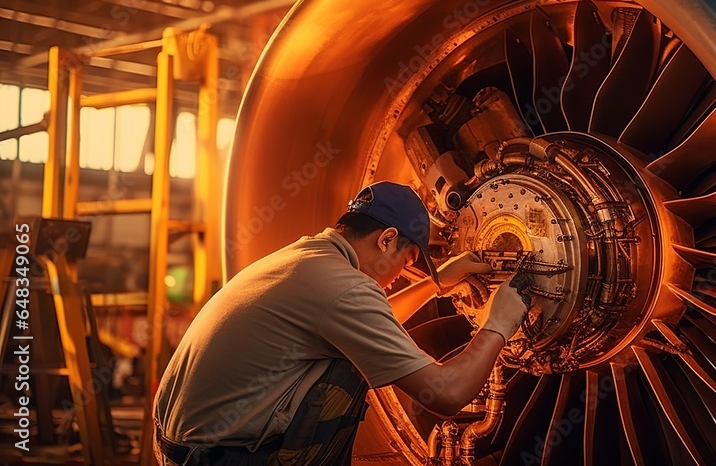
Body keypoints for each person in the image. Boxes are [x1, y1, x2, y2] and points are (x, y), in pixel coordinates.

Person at [153, 181, 529, 465]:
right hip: (221, 459)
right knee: (353, 364)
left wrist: (436, 285)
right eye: (409, 259)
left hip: (179, 448)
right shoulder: (346, 289)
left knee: (357, 349)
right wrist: (498, 322)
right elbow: (448, 394)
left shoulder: (307, 257)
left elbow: (360, 326)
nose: (402, 274)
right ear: (386, 239)